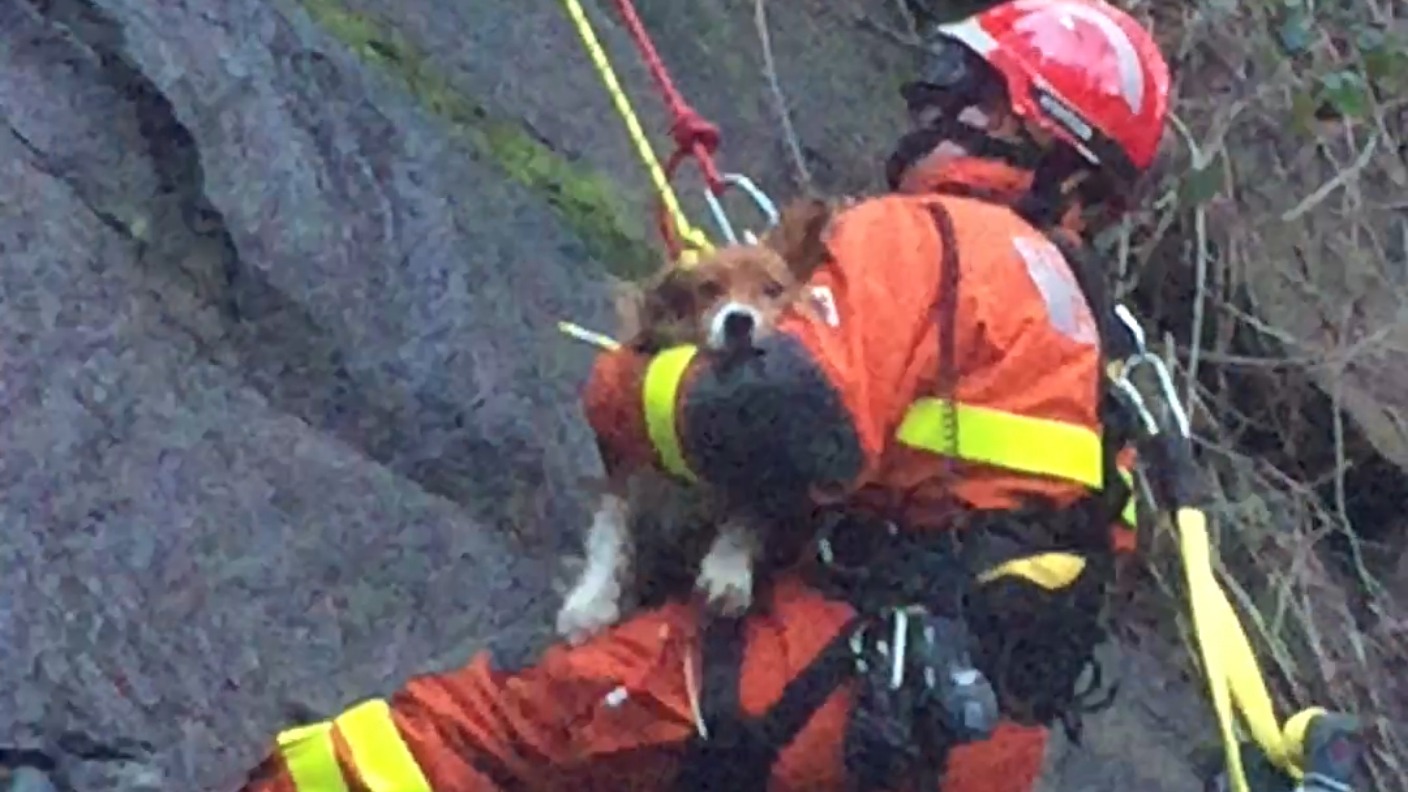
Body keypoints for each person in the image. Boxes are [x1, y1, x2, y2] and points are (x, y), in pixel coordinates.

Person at [235, 2, 1338, 791]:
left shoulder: (928, 237)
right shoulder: (1099, 343)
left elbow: (781, 420)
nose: (927, 107)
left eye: (955, 90)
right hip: (982, 741)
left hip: (832, 683)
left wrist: (629, 385)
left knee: (429, 746)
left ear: (1017, 125)